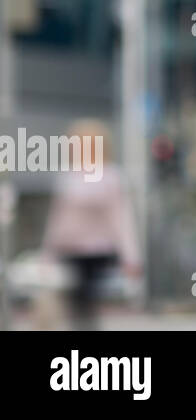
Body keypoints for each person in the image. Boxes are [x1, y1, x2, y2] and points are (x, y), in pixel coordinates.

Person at [40, 120, 142, 330]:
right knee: (73, 305)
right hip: (70, 252)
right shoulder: (68, 177)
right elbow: (57, 220)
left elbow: (121, 220)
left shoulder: (112, 177)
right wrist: (47, 254)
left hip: (99, 253)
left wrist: (131, 256)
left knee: (85, 302)